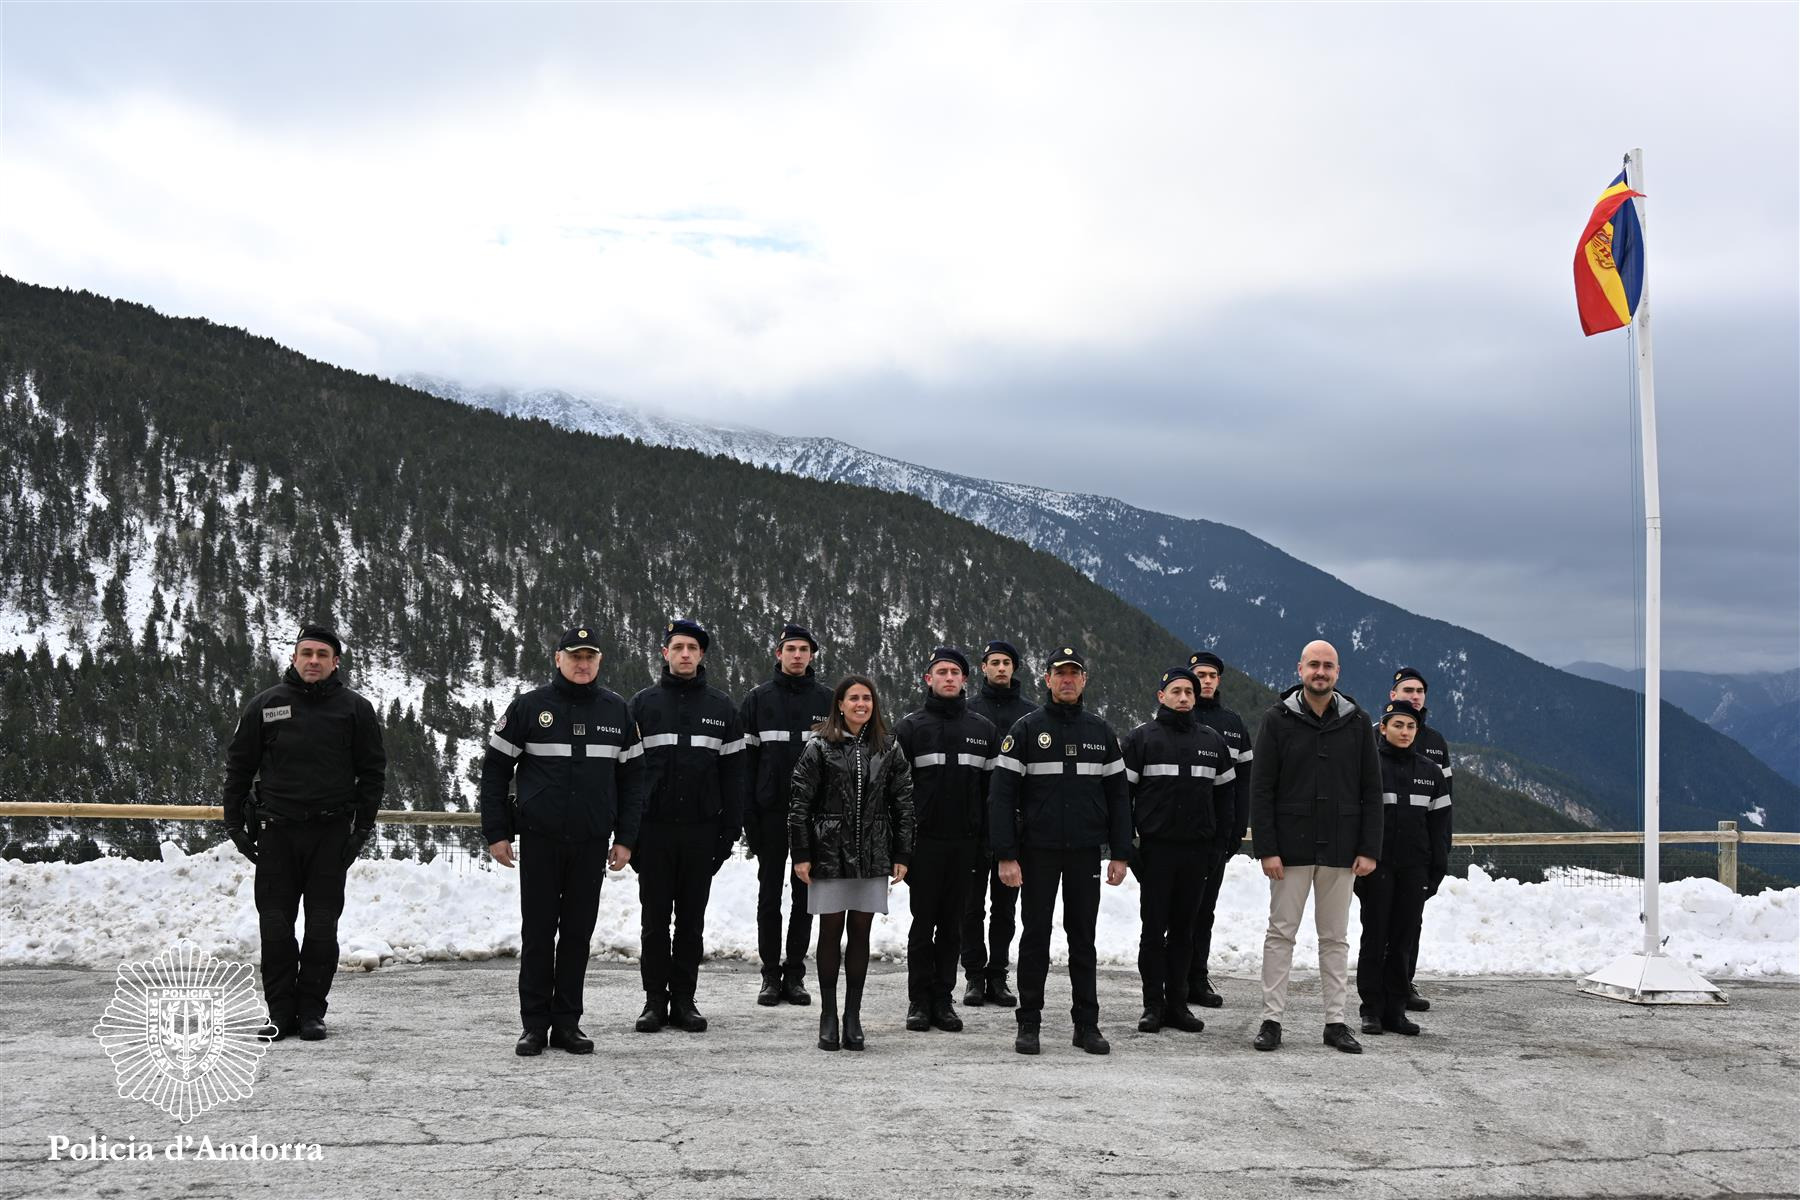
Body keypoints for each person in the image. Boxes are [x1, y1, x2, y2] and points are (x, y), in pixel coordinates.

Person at [481, 625, 643, 1056]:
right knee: (538, 934)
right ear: (558, 659)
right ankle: (533, 1025)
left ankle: (568, 1024)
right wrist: (497, 832)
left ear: (599, 662)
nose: (582, 664)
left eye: (590, 657)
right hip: (540, 840)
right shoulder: (529, 708)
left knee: (576, 935)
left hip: (591, 842)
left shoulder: (617, 712)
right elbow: (495, 771)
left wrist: (625, 838)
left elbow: (634, 781)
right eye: (574, 656)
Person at [222, 624, 385, 1043]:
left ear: (335, 662)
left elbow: (372, 774)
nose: (313, 660)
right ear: (294, 658)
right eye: (306, 653)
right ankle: (280, 1013)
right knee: (275, 927)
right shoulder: (266, 705)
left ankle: (312, 1012)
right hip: (276, 833)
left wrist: (361, 830)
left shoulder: (355, 709)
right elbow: (239, 769)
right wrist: (234, 825)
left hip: (330, 835)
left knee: (321, 928)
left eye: (322, 654)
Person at [989, 645, 1131, 1057]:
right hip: (1038, 852)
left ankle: (1086, 1025)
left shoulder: (1100, 733)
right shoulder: (1027, 730)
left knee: (1083, 938)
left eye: (1074, 673)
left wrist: (1121, 852)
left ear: (1084, 681)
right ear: (1047, 680)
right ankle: (1029, 1022)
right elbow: (1001, 797)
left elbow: (1119, 797)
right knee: (1035, 936)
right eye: (1059, 673)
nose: (1067, 680)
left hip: (1085, 852)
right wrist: (1005, 854)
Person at [1248, 639, 1382, 1055]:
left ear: (1337, 672)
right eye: (1313, 665)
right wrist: (1266, 848)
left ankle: (1336, 1023)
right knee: (1280, 934)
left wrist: (1369, 848)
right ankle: (1272, 1019)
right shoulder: (1277, 719)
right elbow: (1261, 788)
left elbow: (1371, 790)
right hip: (1289, 850)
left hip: (1342, 849)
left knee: (1336, 938)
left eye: (1328, 666)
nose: (1320, 672)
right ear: (1299, 669)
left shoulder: (1357, 722)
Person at [628, 619, 747, 1035]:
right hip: (653, 831)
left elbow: (734, 776)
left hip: (701, 831)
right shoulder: (642, 706)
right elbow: (625, 773)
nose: (684, 654)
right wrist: (630, 835)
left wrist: (728, 834)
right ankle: (653, 1003)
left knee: (691, 922)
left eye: (691, 648)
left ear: (701, 655)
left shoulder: (722, 708)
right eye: (677, 646)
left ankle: (684, 1001)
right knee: (654, 922)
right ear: (665, 652)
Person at [789, 676, 915, 1052]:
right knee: (830, 931)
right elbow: (798, 804)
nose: (861, 704)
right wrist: (802, 853)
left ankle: (853, 1017)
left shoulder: (889, 746)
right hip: (828, 851)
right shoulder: (819, 747)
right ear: (839, 705)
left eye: (867, 699)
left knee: (861, 933)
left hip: (874, 852)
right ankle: (828, 1014)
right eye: (853, 699)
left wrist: (902, 853)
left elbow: (904, 802)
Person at [1122, 666, 1236, 1035]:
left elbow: (1226, 798)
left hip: (1197, 852)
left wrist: (1219, 846)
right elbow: (1122, 798)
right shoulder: (1142, 740)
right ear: (1162, 696)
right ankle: (1152, 1006)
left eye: (1189, 691)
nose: (1184, 697)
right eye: (1176, 691)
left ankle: (1178, 1005)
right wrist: (1129, 847)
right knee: (1153, 931)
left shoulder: (1212, 741)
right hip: (1156, 851)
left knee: (1186, 931)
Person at [893, 646, 998, 1033]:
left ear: (965, 680)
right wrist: (900, 846)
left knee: (953, 924)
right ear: (928, 679)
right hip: (925, 844)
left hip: (966, 843)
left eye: (955, 672)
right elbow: (896, 792)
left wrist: (988, 842)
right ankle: (919, 1001)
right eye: (942, 672)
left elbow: (993, 793)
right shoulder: (910, 728)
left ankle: (944, 999)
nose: (949, 677)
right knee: (923, 924)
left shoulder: (983, 730)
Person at [739, 623, 833, 1008]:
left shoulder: (828, 701)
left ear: (812, 656)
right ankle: (769, 975)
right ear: (778, 654)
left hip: (813, 818)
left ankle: (795, 973)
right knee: (768, 897)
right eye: (790, 649)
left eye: (804, 649)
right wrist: (750, 820)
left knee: (805, 895)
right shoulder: (758, 700)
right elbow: (745, 765)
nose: (797, 655)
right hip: (770, 813)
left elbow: (838, 762)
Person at [1356, 702, 1451, 1037]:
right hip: (1376, 867)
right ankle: (1370, 1010)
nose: (1405, 732)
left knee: (1402, 941)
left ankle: (1396, 1011)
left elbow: (1440, 827)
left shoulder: (1430, 772)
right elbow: (1357, 819)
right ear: (1383, 728)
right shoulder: (1369, 768)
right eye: (1398, 725)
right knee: (1375, 937)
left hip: (1414, 869)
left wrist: (1435, 871)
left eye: (1410, 727)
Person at [962, 638, 1032, 1009]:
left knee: (1005, 908)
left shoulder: (1031, 715)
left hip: (1015, 829)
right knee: (971, 906)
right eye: (994, 662)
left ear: (1014, 668)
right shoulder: (969, 712)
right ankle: (974, 974)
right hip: (974, 826)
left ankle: (998, 975)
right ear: (984, 668)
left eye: (1007, 662)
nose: (1001, 668)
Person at [1186, 650, 1254, 1009]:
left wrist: (1235, 831)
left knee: (1204, 909)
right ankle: (1171, 978)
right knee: (1173, 911)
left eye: (1212, 675)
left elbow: (1244, 783)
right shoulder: (1178, 715)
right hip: (1177, 836)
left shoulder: (1232, 723)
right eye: (1200, 674)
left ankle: (1197, 976)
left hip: (1215, 836)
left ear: (1219, 680)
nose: (1206, 680)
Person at [1388, 666, 1454, 1013]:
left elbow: (1445, 804)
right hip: (1382, 853)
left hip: (1419, 852)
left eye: (1419, 691)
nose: (1414, 696)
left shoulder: (1436, 743)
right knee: (1380, 924)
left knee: (1411, 923)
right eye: (1407, 690)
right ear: (1393, 696)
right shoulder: (1375, 736)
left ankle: (1403, 984)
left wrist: (1442, 848)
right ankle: (1377, 989)